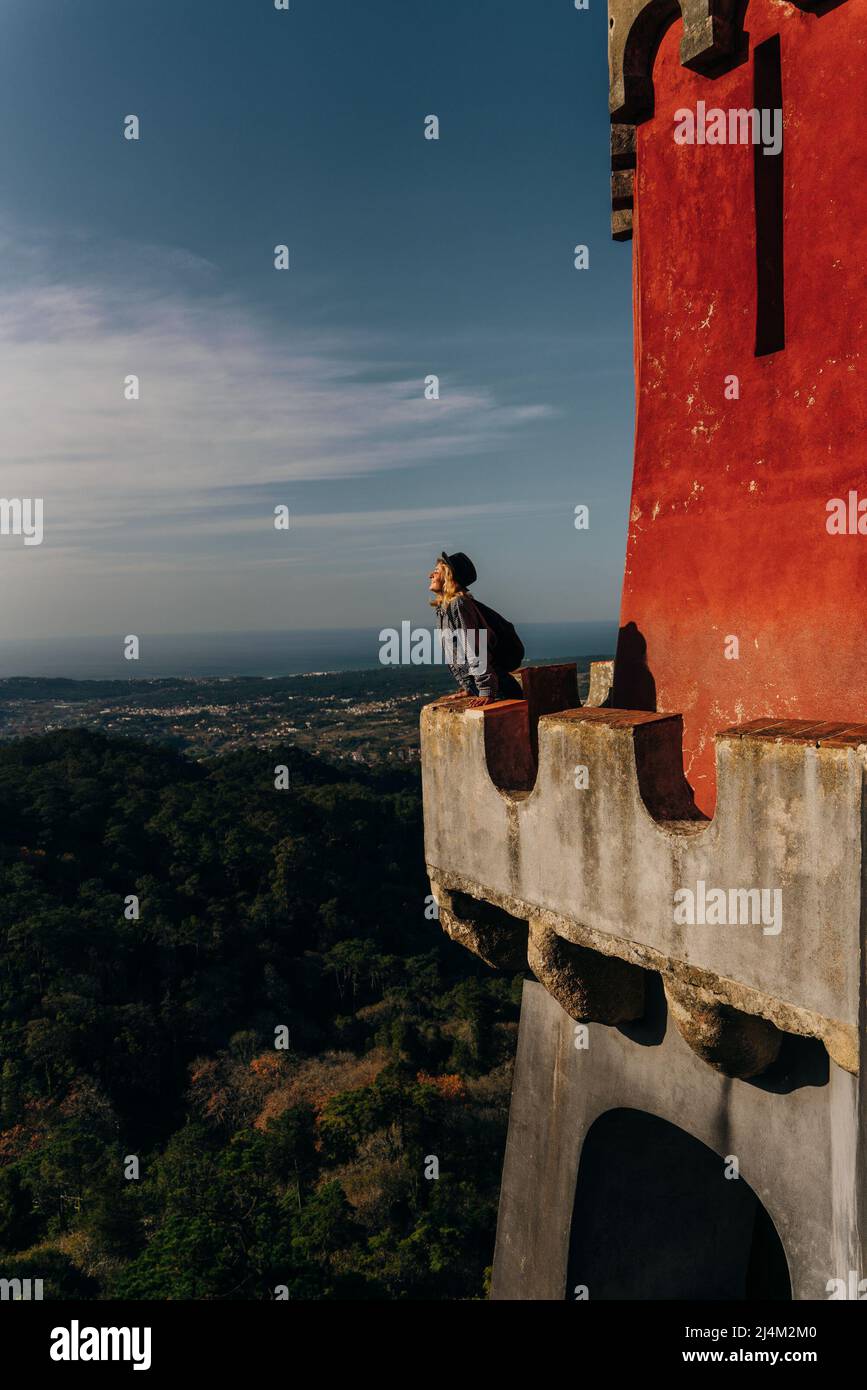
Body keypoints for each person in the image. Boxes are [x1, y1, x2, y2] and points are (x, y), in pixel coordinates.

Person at [428, 550, 524, 706]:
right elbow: (457, 653)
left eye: (436, 572)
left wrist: (485, 689)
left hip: (500, 689)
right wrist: (469, 687)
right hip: (484, 687)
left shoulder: (459, 604)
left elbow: (474, 648)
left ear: (449, 577)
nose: (430, 575)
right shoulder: (444, 608)